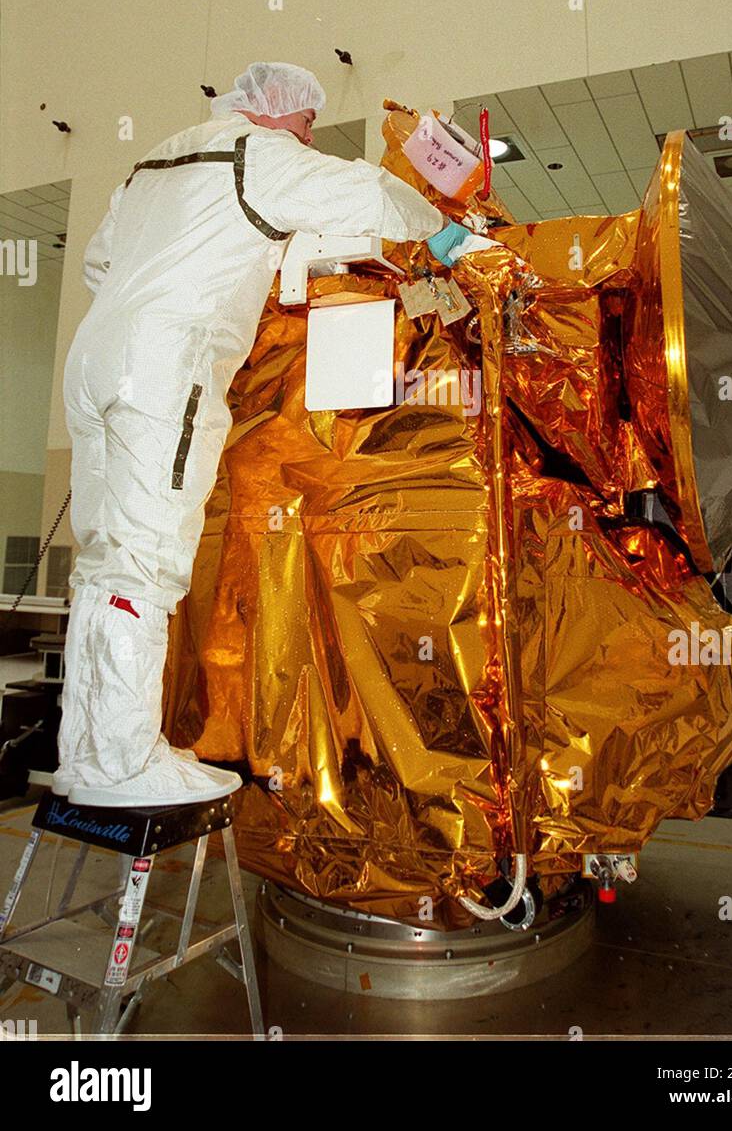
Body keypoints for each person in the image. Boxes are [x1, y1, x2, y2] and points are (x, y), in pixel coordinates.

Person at [54, 62, 483, 808]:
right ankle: (122, 762)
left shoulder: (156, 161)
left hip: (95, 359)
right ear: (278, 113)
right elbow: (365, 188)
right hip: (165, 369)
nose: (311, 134)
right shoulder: (258, 155)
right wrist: (443, 232)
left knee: (103, 561)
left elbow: (99, 263)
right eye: (309, 122)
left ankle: (88, 755)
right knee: (146, 562)